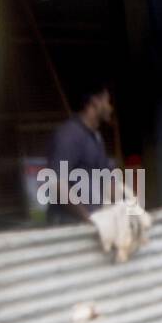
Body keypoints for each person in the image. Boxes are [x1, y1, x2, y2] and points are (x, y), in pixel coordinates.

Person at [43, 82, 115, 224]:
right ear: (95, 102)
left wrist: (126, 204)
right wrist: (88, 218)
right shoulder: (69, 136)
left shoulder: (96, 138)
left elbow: (107, 180)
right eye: (107, 101)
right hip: (68, 227)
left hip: (91, 224)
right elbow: (57, 184)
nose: (110, 108)